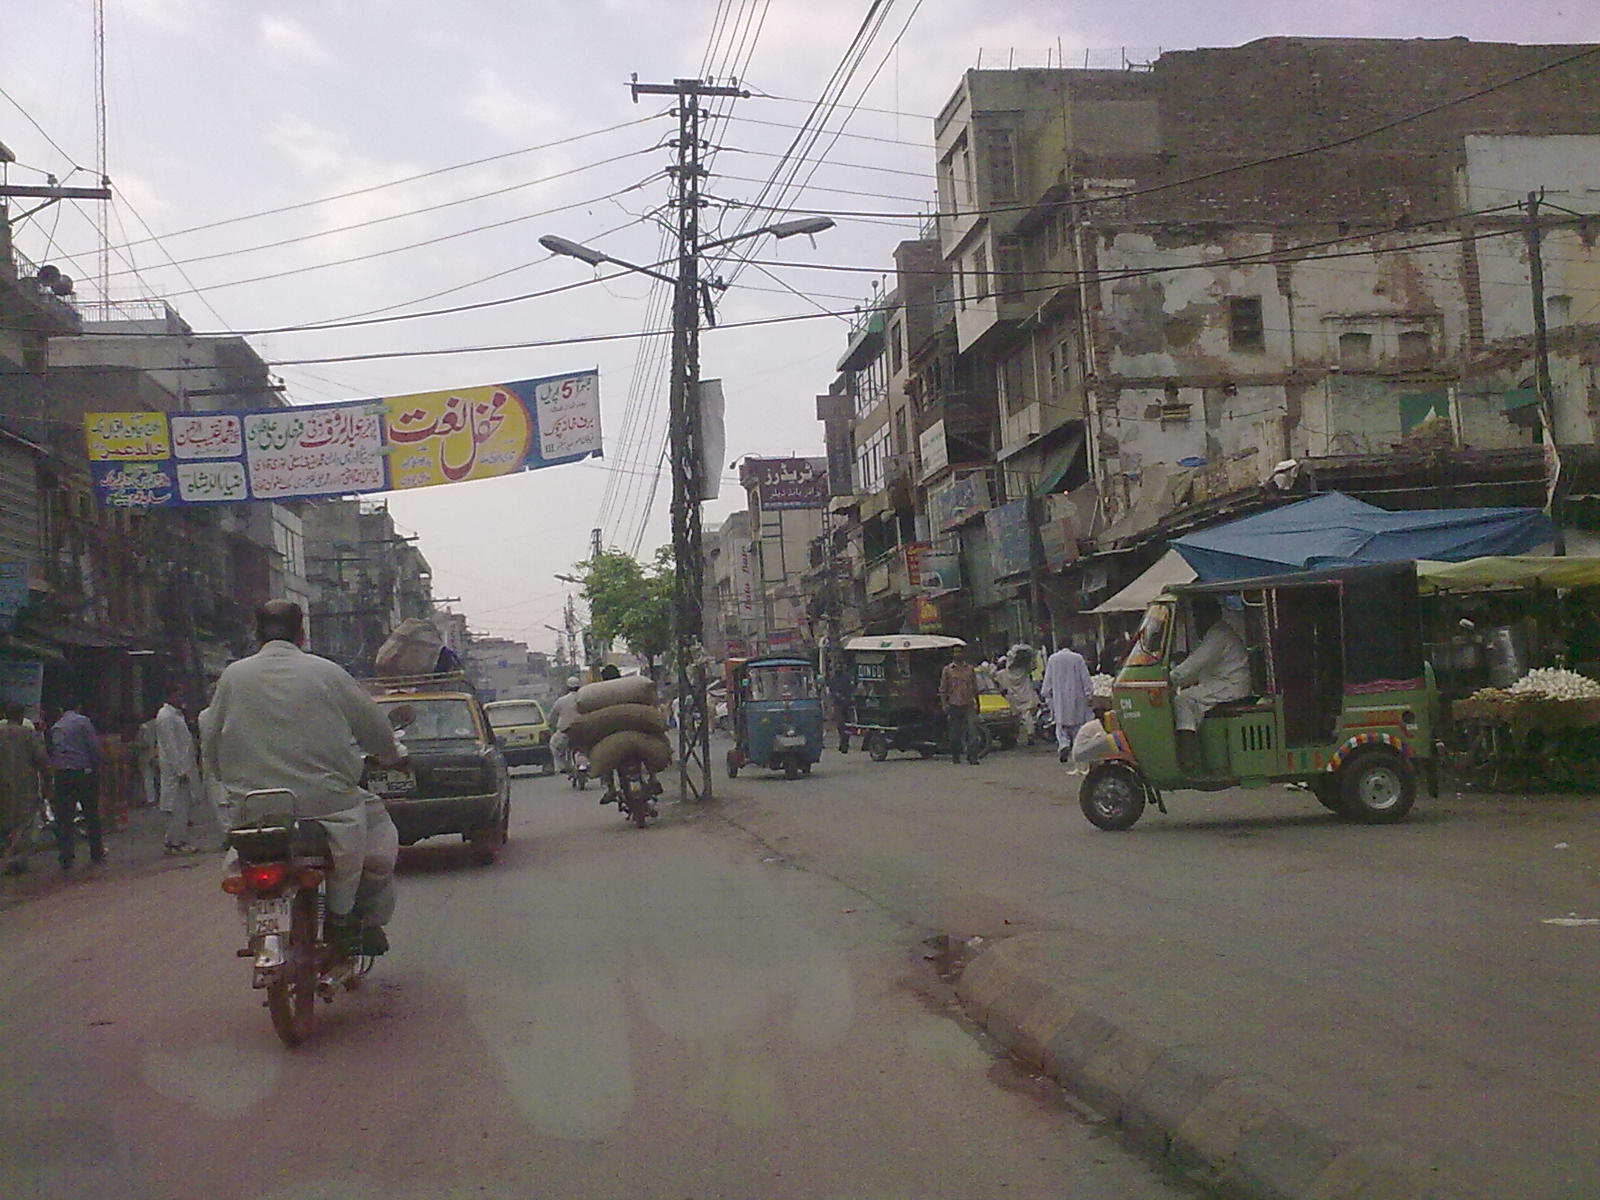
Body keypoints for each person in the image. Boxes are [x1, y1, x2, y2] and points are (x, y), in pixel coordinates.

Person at [202, 600, 408, 959]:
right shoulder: (328, 673)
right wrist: (391, 756)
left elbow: (210, 738)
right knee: (377, 843)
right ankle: (342, 919)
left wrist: (226, 779)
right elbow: (374, 727)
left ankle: (260, 929)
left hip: (255, 806)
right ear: (302, 634)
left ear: (257, 634)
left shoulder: (233, 676)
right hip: (328, 803)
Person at [1169, 598, 1252, 772]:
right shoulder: (1214, 634)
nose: (1197, 621)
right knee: (1188, 696)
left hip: (1231, 686)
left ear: (1213, 615)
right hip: (1221, 684)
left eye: (1200, 616)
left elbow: (1194, 664)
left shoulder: (1218, 635)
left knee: (1182, 700)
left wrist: (1170, 678)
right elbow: (1199, 669)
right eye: (1196, 616)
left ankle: (1188, 756)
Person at [47, 698, 104, 869]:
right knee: (91, 813)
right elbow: (93, 747)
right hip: (83, 773)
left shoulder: (56, 726)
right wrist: (97, 766)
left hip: (62, 774)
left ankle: (66, 856)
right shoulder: (83, 722)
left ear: (61, 709)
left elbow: (53, 750)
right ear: (78, 707)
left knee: (64, 817)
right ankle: (96, 852)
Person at [156, 683, 211, 855]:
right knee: (177, 807)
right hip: (176, 771)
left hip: (183, 767)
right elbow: (170, 746)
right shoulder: (166, 716)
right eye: (178, 696)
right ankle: (177, 843)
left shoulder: (175, 715)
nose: (181, 699)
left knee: (182, 806)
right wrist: (180, 770)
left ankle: (173, 840)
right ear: (170, 697)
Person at [0, 703, 50, 875]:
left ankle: (6, 857)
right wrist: (47, 785)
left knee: (5, 822)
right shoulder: (28, 734)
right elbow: (43, 761)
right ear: (21, 716)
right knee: (24, 825)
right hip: (25, 787)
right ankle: (15, 862)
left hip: (3, 787)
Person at [1041, 641, 1094, 763]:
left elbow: (1048, 679)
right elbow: (1085, 678)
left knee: (1061, 726)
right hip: (1077, 698)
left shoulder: (1053, 659)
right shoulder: (1078, 658)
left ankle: (1063, 744)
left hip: (1059, 699)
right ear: (1071, 646)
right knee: (1077, 726)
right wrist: (1089, 694)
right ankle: (1077, 749)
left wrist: (1046, 693)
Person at [938, 645, 983, 765]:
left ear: (964, 654)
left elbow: (975, 687)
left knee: (973, 732)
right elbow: (943, 689)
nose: (957, 654)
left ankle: (972, 757)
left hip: (968, 704)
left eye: (959, 652)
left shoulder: (970, 669)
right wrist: (944, 704)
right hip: (954, 705)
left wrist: (978, 703)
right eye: (955, 652)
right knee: (954, 735)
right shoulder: (947, 670)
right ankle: (956, 755)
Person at [994, 645, 1040, 746]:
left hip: (1014, 696)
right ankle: (1030, 734)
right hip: (1026, 694)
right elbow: (1034, 666)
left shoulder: (1007, 672)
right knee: (1027, 716)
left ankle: (1015, 736)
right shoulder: (1024, 670)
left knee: (1015, 717)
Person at [548, 676, 582, 774]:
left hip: (566, 732)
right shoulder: (585, 698)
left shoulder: (561, 701)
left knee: (553, 745)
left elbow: (552, 717)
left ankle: (564, 767)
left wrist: (552, 726)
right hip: (583, 731)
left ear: (567, 687)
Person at [828, 662, 854, 753]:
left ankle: (845, 742)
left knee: (847, 725)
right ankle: (843, 743)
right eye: (837, 666)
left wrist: (846, 696)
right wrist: (837, 696)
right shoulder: (833, 679)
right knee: (841, 725)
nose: (838, 668)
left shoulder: (847, 677)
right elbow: (832, 690)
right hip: (838, 704)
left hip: (846, 704)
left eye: (840, 666)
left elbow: (851, 688)